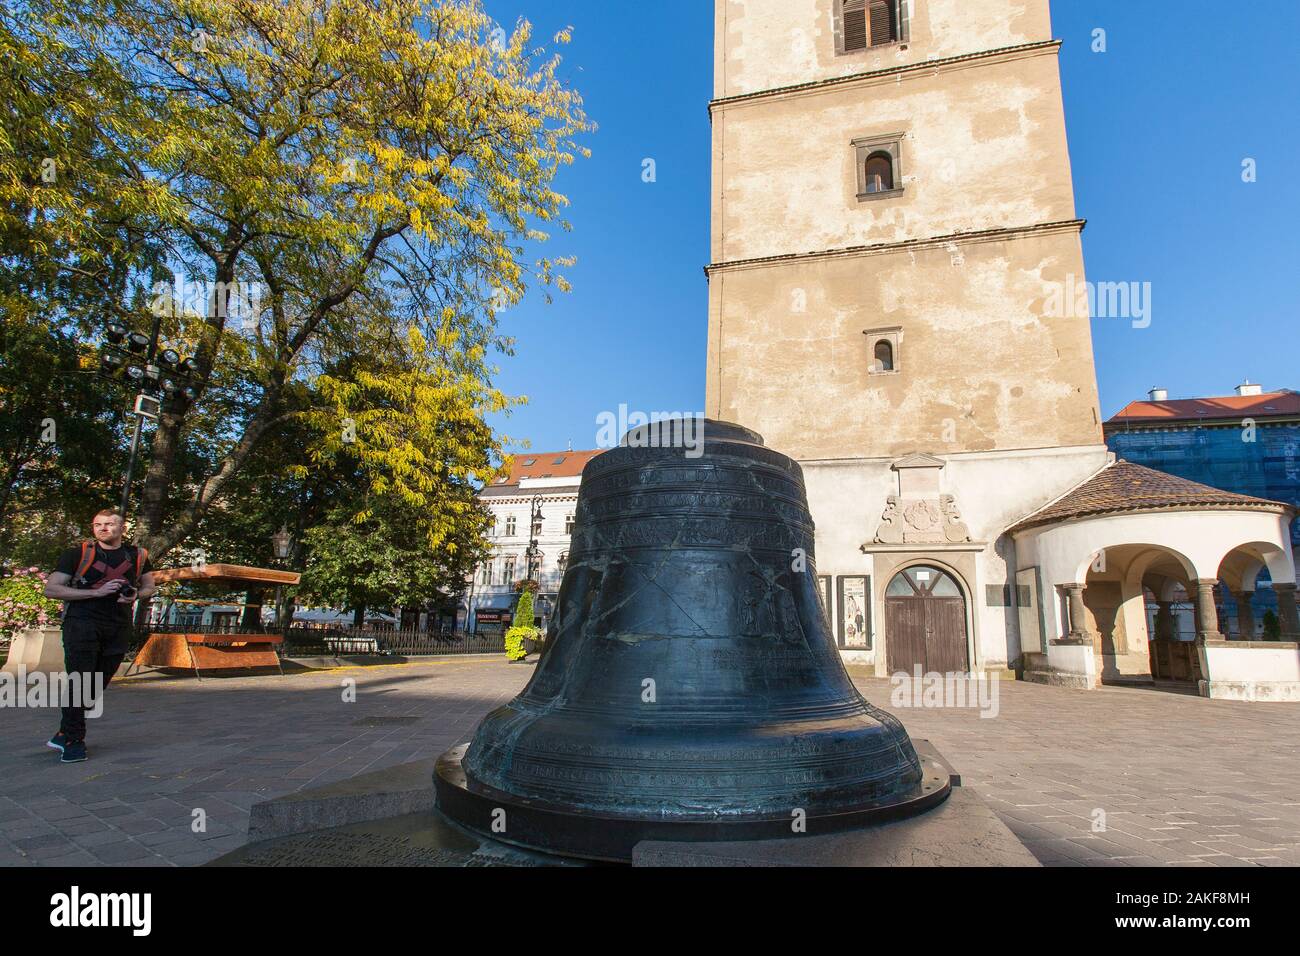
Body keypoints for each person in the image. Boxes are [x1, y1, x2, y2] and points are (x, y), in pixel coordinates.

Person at [42, 508, 155, 763]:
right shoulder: (78, 553)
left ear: (122, 527)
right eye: (97, 524)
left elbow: (149, 585)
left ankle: (63, 731)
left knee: (96, 685)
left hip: (118, 624)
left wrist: (136, 594)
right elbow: (52, 589)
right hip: (82, 622)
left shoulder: (137, 555)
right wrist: (95, 593)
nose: (103, 528)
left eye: (109, 524)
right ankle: (74, 740)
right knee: (81, 680)